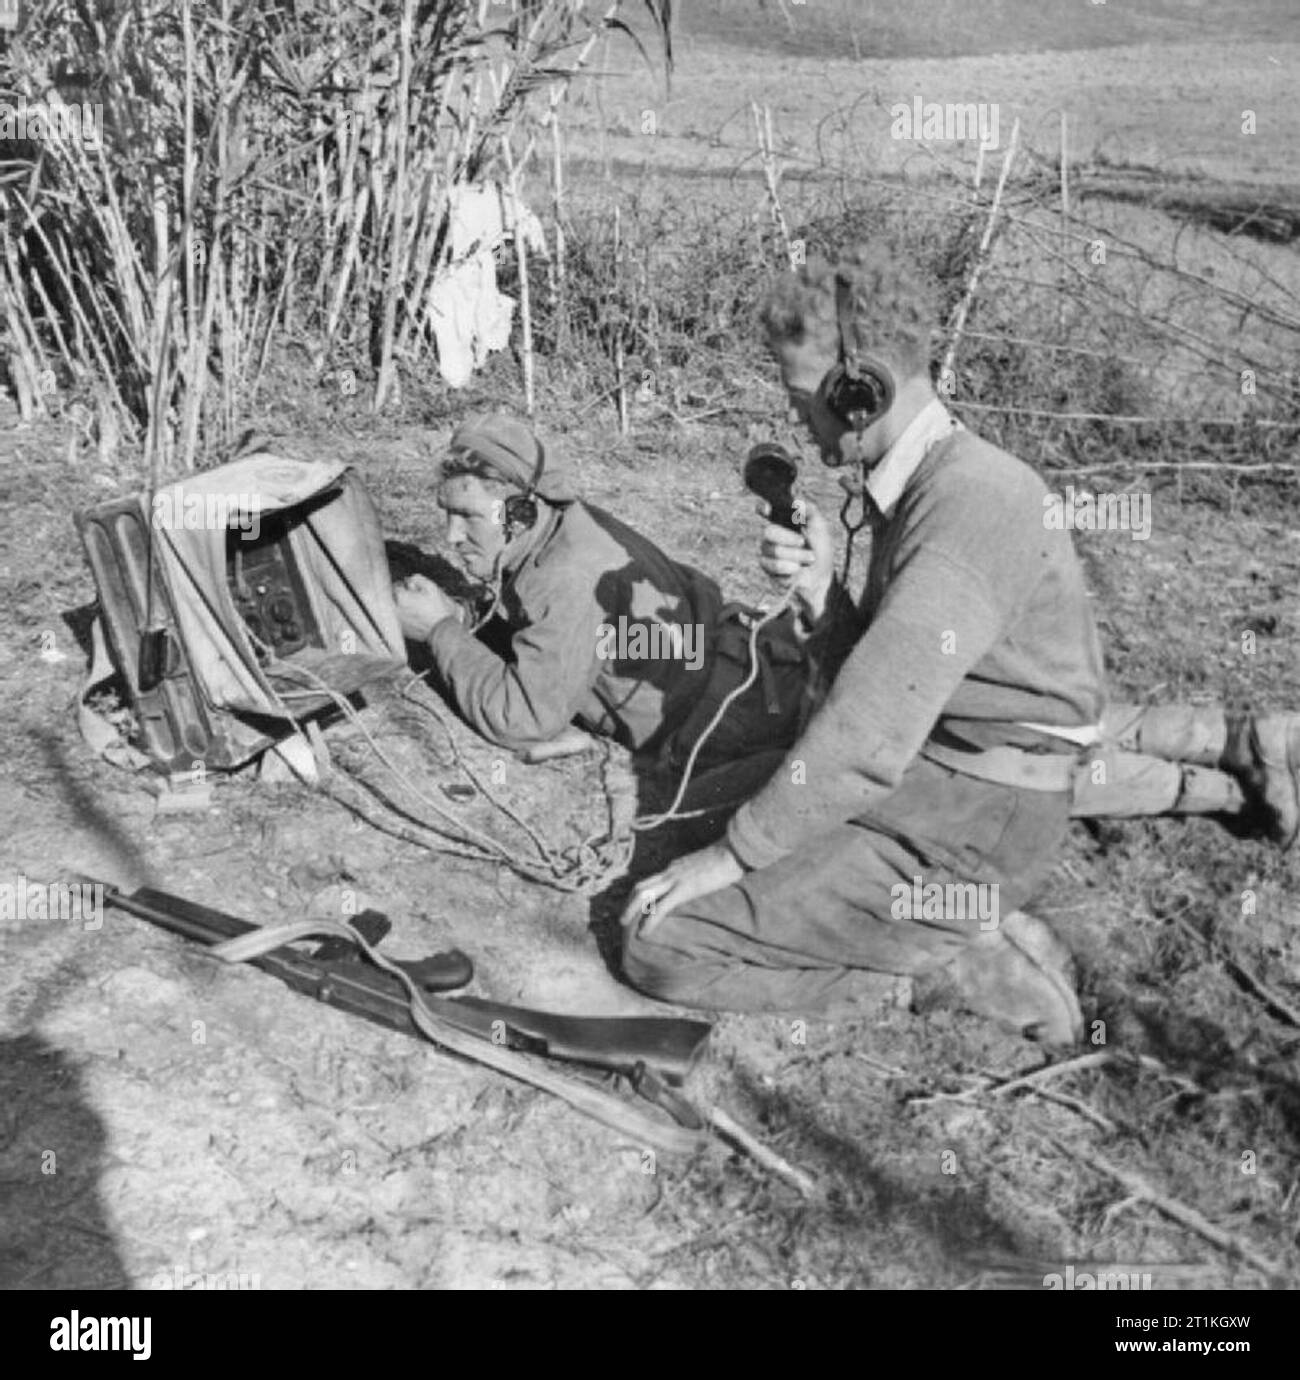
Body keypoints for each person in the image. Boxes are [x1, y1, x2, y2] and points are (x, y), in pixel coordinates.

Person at [616, 246, 1300, 1044]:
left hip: (978, 815)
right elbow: (878, 677)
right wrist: (822, 598)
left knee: (659, 944)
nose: (796, 419)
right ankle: (1232, 763)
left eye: (802, 398)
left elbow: (867, 736)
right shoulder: (933, 478)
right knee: (703, 808)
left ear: (858, 389)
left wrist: (732, 859)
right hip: (954, 765)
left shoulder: (965, 505)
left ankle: (943, 959)